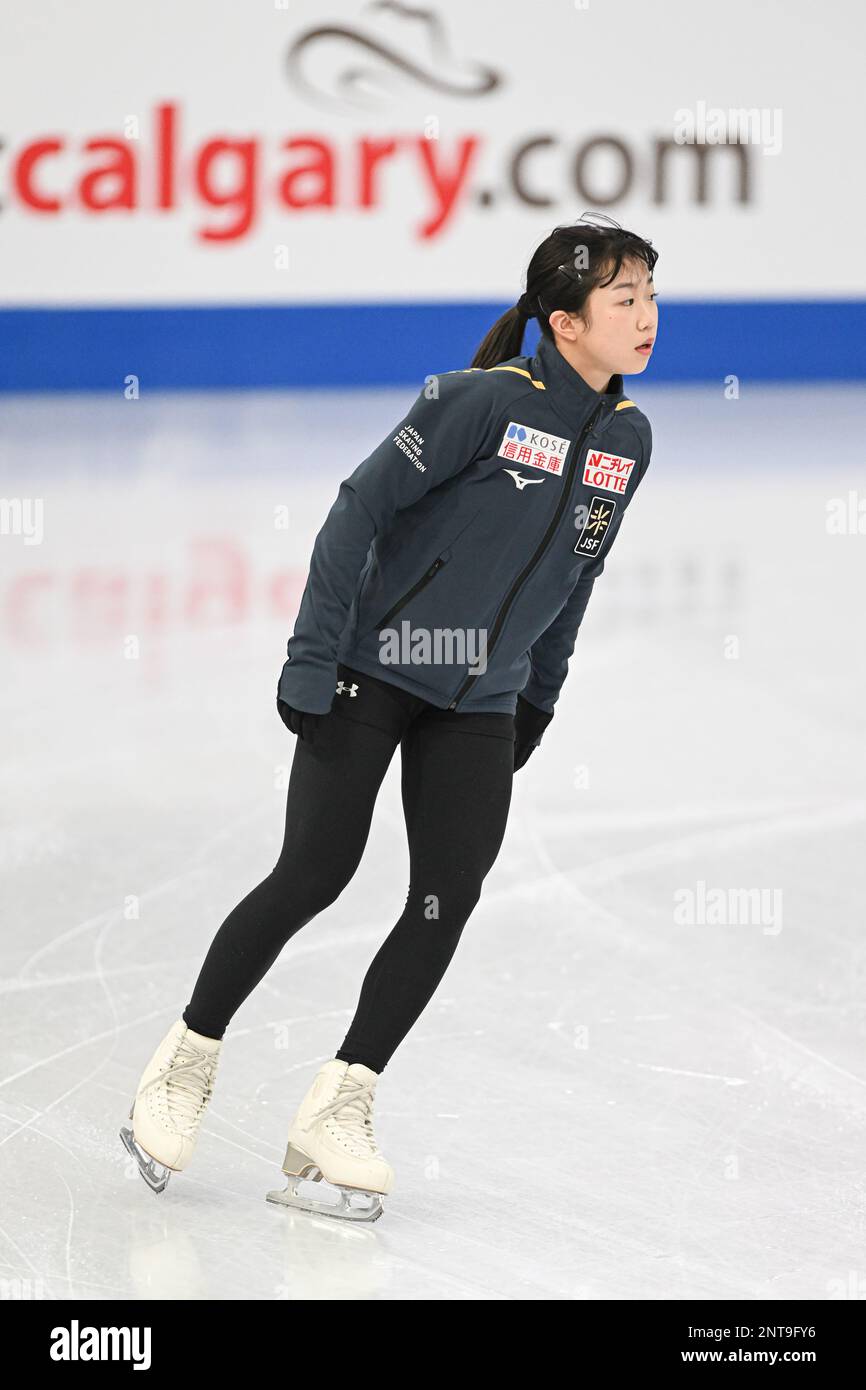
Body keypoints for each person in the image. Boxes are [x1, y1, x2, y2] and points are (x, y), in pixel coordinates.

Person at [120, 213, 659, 1222]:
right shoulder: (477, 402)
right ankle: (183, 1061)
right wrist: (311, 656)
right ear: (564, 320)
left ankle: (340, 1102)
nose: (645, 316)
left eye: (650, 296)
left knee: (444, 898)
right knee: (314, 872)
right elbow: (355, 510)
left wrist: (538, 695)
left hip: (481, 697)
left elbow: (575, 579)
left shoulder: (627, 439)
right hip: (375, 669)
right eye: (623, 298)